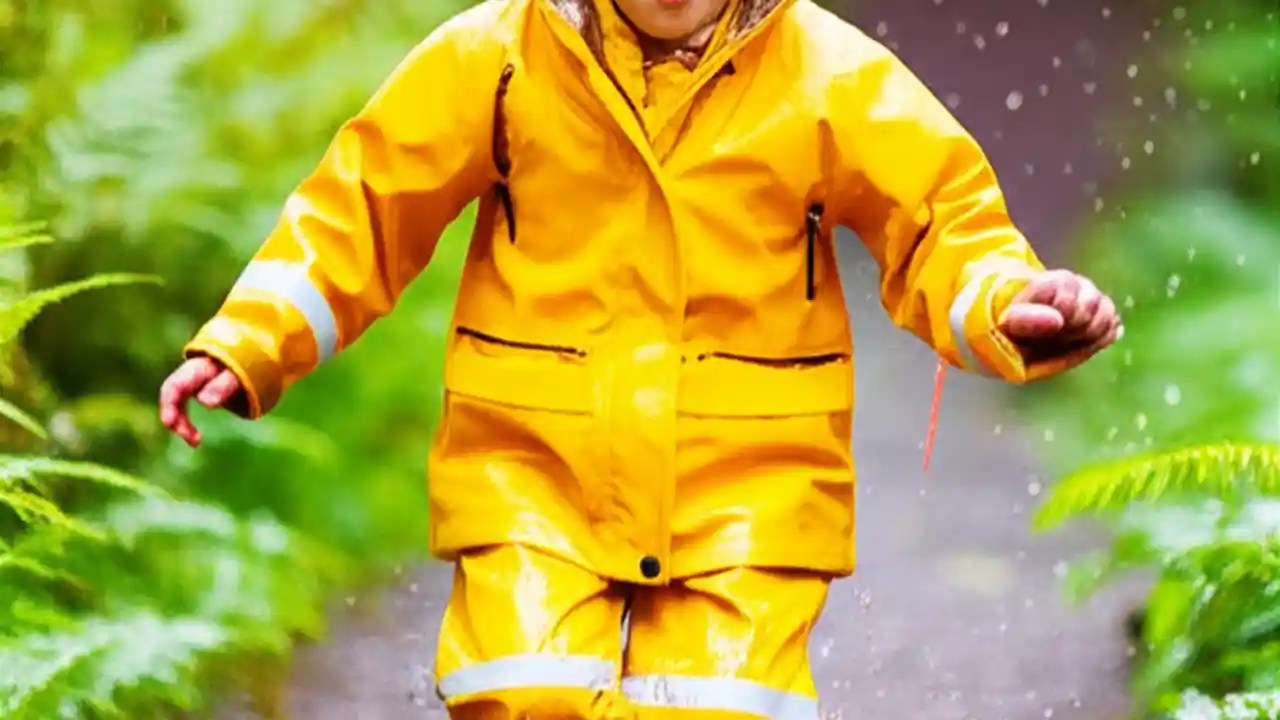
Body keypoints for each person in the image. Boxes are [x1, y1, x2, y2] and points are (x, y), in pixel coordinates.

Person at [158, 0, 1121, 717]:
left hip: (750, 480)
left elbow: (940, 217)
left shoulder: (828, 74)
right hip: (535, 461)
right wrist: (250, 342)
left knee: (716, 703)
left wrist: (1010, 302)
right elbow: (361, 210)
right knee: (519, 685)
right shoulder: (498, 56)